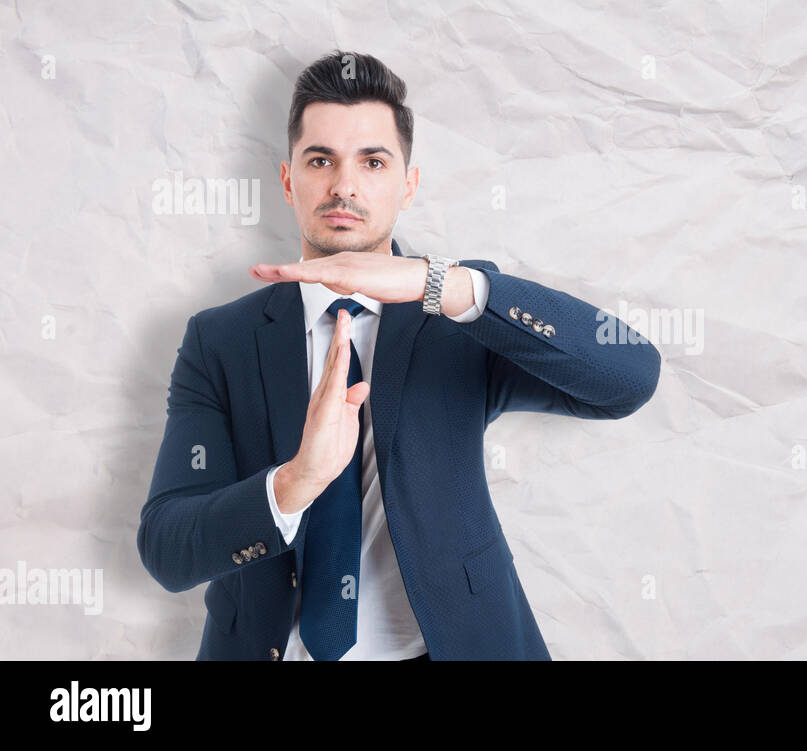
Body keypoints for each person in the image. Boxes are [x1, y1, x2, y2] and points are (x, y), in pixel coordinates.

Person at [137, 50, 661, 660]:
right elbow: (168, 550)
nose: (345, 185)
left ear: (407, 184)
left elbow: (629, 376)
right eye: (320, 159)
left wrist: (448, 285)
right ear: (288, 180)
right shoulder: (220, 339)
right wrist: (294, 483)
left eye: (373, 161)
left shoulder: (460, 319)